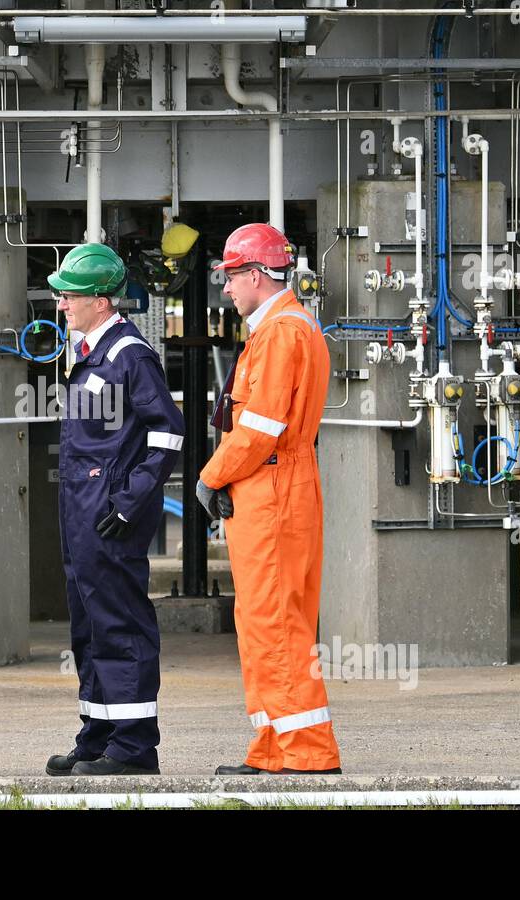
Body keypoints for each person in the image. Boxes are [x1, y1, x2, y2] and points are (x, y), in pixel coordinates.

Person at [196, 222, 342, 776]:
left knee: (272, 621)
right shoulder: (289, 326)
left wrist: (212, 476)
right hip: (280, 482)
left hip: (271, 484)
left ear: (256, 275)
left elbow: (258, 427)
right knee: (272, 620)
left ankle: (303, 750)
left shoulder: (281, 332)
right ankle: (277, 747)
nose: (226, 289)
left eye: (231, 278)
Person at [44, 243, 185, 776]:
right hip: (84, 515)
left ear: (102, 301)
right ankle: (99, 733)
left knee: (120, 625)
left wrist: (129, 503)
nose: (62, 303)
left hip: (110, 516)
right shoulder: (92, 354)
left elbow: (168, 434)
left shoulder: (130, 355)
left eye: (71, 295)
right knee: (90, 626)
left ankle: (133, 747)